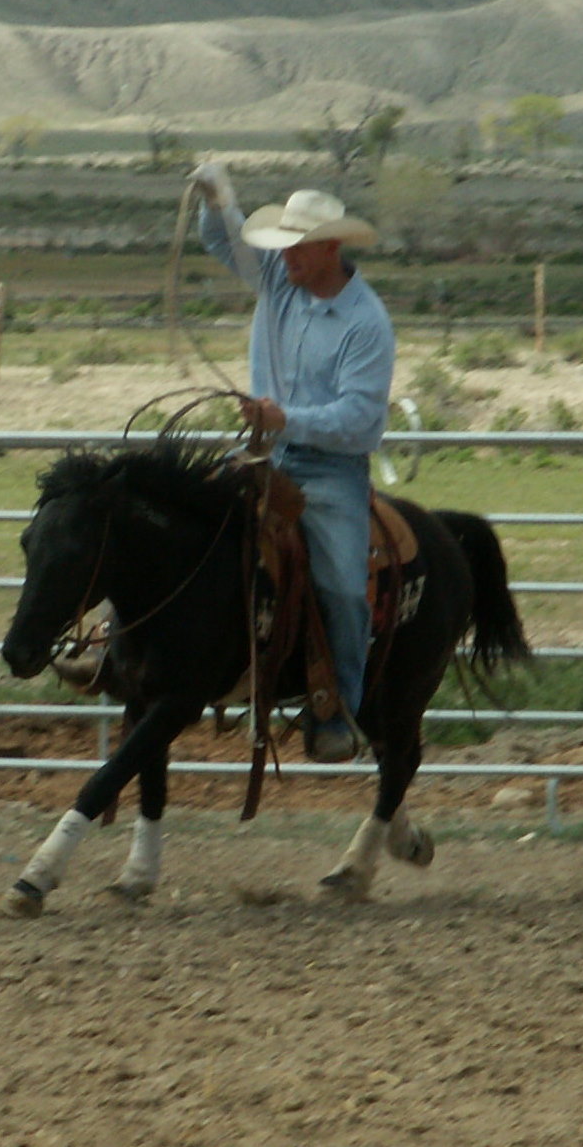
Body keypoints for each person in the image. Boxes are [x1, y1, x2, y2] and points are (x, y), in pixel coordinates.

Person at [190, 164, 394, 762]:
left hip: (329, 471)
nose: (284, 259)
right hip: (260, 453)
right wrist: (219, 198)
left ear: (330, 248)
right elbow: (222, 240)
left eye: (296, 248)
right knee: (174, 517)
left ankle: (340, 710)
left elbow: (357, 419)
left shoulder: (366, 323)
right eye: (282, 248)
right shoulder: (281, 281)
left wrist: (287, 420)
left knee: (341, 586)